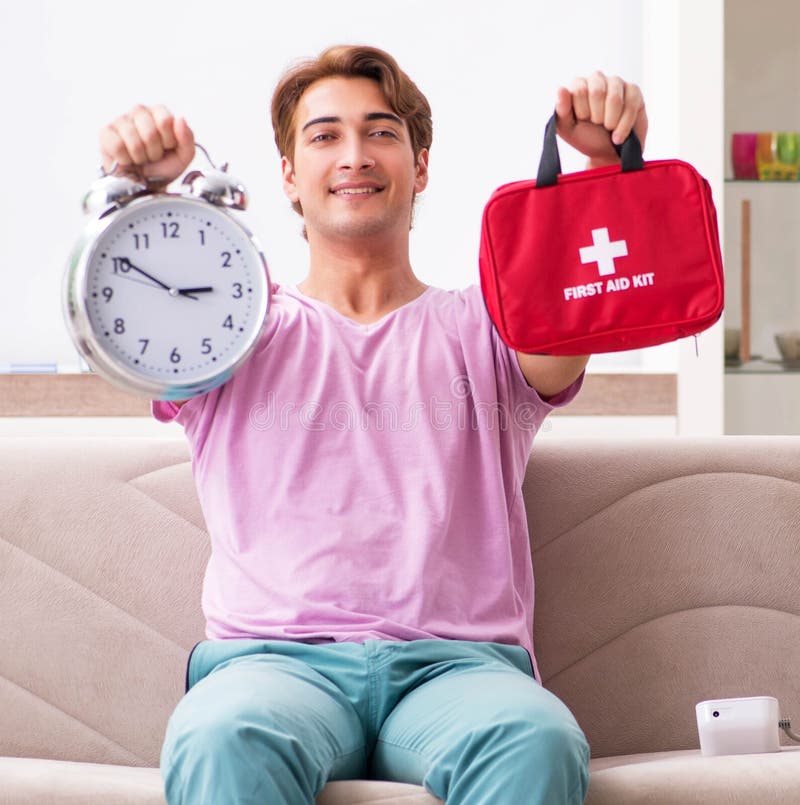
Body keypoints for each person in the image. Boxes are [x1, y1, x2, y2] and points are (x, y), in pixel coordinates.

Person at [100, 45, 647, 805]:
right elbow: (134, 301)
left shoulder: (492, 325)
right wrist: (150, 191)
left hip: (458, 672)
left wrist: (602, 169)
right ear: (288, 175)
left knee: (537, 738)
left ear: (420, 166)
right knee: (220, 734)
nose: (354, 155)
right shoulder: (233, 328)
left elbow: (593, 289)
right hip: (273, 668)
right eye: (324, 135)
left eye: (381, 132)